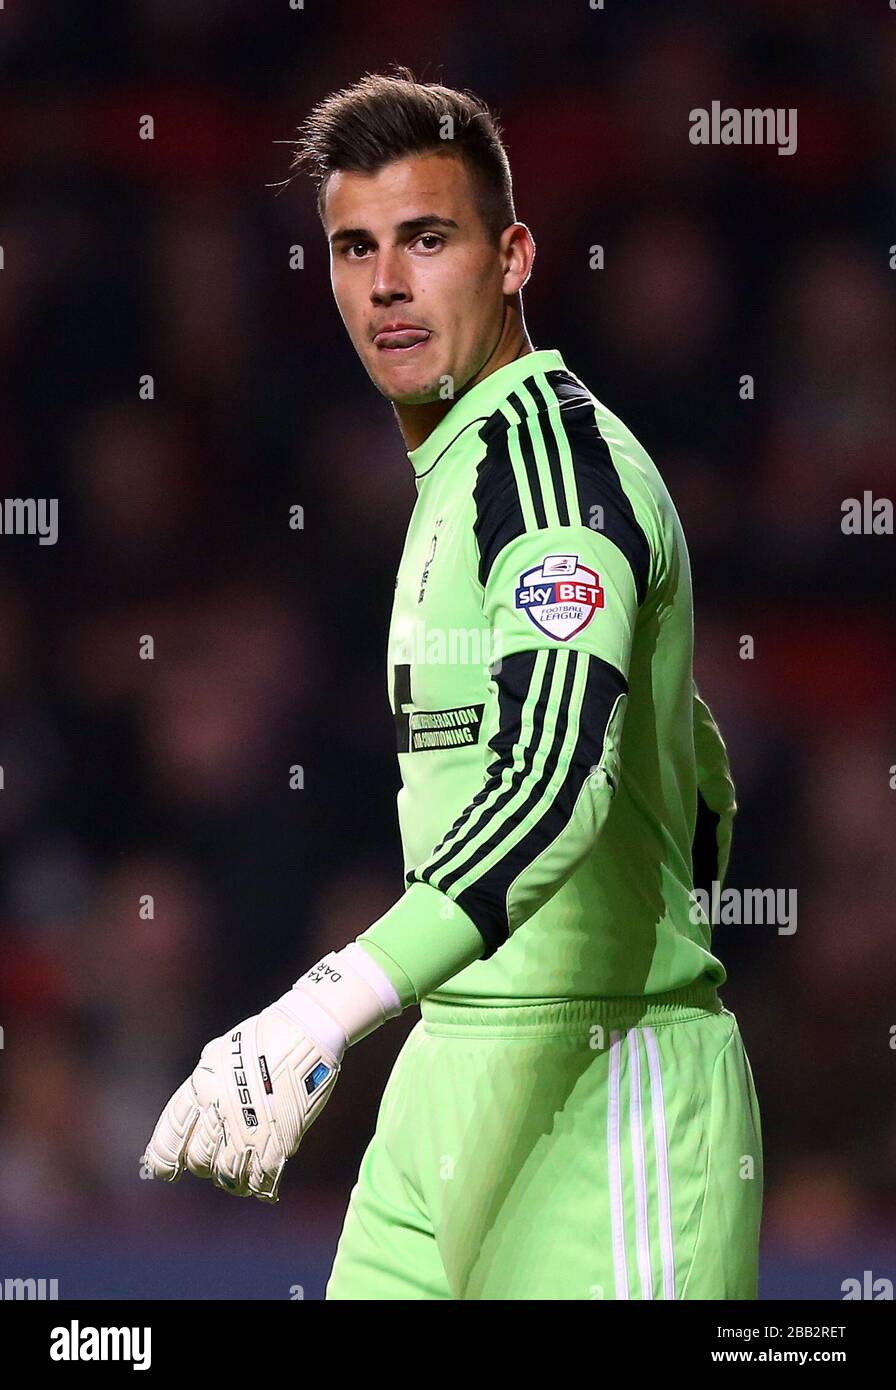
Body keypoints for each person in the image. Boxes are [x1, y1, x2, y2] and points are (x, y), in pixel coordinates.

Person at [142, 67, 763, 1301]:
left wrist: (318, 1011)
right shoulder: (455, 474)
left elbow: (549, 789)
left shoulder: (546, 471)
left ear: (513, 253)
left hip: (603, 1099)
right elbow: (695, 776)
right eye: (353, 248)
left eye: (427, 239)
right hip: (450, 1075)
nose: (385, 284)